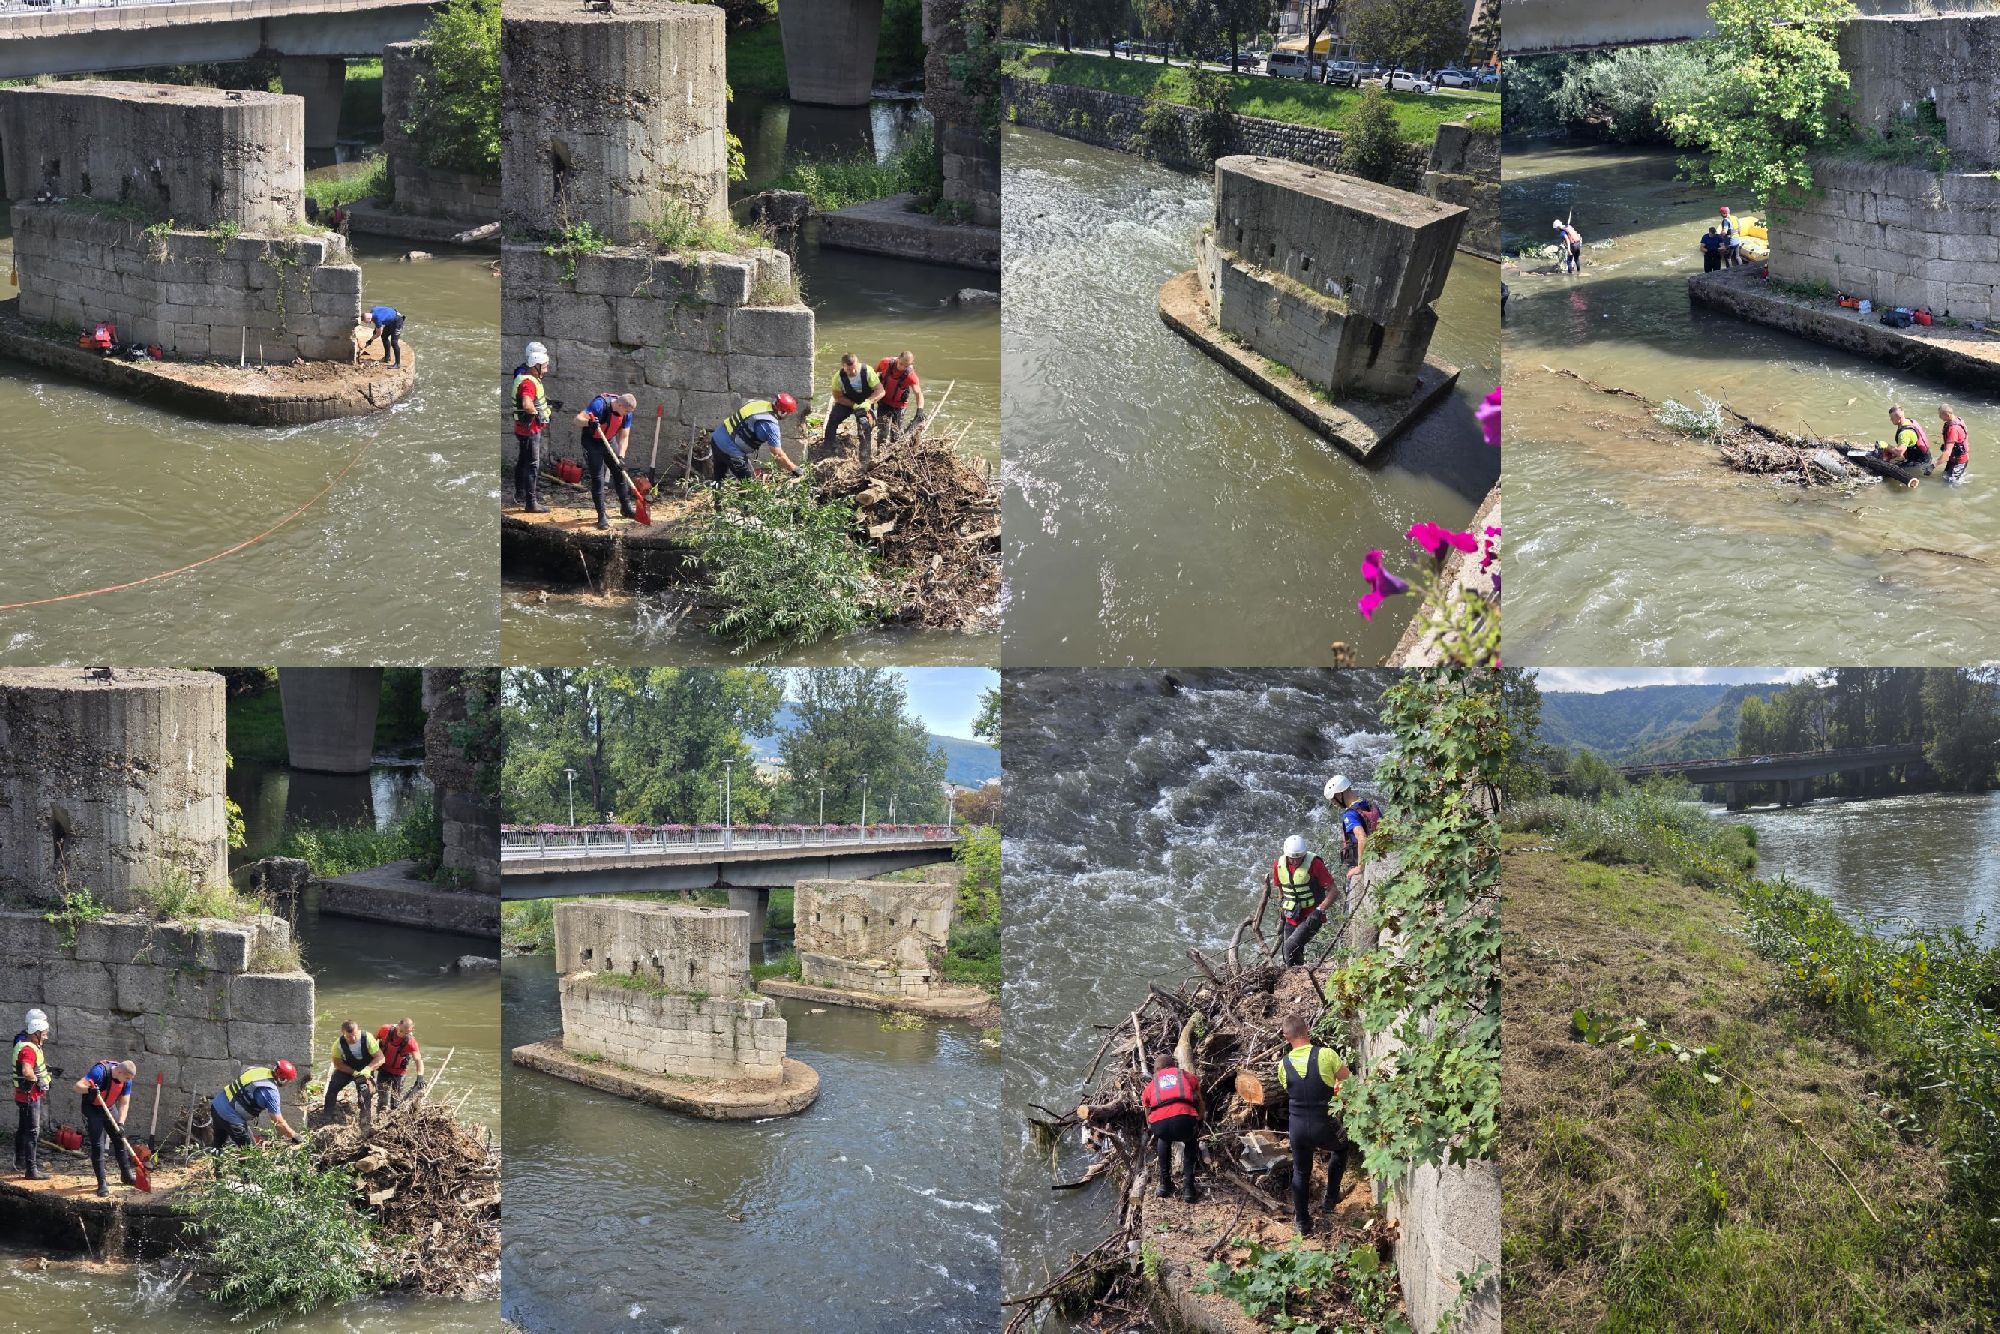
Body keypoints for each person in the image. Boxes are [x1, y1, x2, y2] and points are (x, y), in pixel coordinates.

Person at [1276, 1013, 1351, 1236]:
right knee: (1341, 1148)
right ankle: (1330, 1199)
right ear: (1307, 1028)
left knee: (1300, 1171)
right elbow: (1347, 1079)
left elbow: (1292, 1090)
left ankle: (1302, 1222)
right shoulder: (1326, 1054)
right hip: (1324, 1123)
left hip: (1297, 1127)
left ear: (1286, 1037)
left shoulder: (1283, 1065)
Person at [1140, 1054, 1203, 1203]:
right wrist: (1199, 1118)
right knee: (1191, 1140)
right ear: (1174, 1065)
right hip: (1184, 1120)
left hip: (1160, 1124)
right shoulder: (1186, 1076)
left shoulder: (1152, 1084)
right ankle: (1189, 1190)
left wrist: (1150, 1125)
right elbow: (1199, 1100)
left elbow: (1147, 1107)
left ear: (1157, 1069)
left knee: (1163, 1139)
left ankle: (1165, 1185)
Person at [1270, 833, 1338, 966]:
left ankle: (1299, 975)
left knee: (1290, 946)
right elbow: (1281, 890)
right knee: (1290, 955)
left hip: (1312, 917)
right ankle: (1299, 976)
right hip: (1291, 915)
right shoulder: (1279, 865)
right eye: (1292, 859)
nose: (1295, 862)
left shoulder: (1315, 864)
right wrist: (1282, 907)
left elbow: (1334, 891)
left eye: (1299, 858)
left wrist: (1319, 910)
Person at [75, 1058, 139, 1197]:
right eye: (127, 1078)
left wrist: (121, 1123)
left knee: (119, 1139)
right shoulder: (99, 1072)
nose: (128, 1081)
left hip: (109, 1107)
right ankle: (102, 1183)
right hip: (92, 1109)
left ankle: (126, 1175)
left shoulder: (126, 1080)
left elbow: (124, 1103)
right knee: (98, 1146)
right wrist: (89, 1090)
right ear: (120, 1072)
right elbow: (77, 1086)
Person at [577, 392, 640, 530]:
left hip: (609, 441)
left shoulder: (627, 413)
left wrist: (621, 456)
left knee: (620, 472)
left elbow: (624, 437)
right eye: (627, 411)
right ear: (620, 405)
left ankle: (626, 508)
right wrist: (588, 423)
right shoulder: (599, 405)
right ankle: (601, 515)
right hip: (592, 443)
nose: (628, 414)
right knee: (598, 479)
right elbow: (577, 420)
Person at [710, 394, 803, 483]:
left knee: (719, 479)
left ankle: (717, 492)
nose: (788, 416)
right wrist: (794, 468)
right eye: (788, 413)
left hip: (716, 438)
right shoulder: (770, 426)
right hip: (731, 450)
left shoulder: (759, 404)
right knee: (751, 485)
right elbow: (777, 453)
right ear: (782, 412)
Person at [211, 1061, 302, 1149]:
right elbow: (278, 1122)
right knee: (249, 1152)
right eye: (288, 1081)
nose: (288, 1083)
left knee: (218, 1146)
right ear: (282, 1079)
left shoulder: (258, 1070)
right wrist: (294, 1135)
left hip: (216, 1106)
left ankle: (216, 1154)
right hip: (231, 1118)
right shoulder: (271, 1092)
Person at [1324, 775, 1383, 896]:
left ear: (1339, 795)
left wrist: (1360, 867)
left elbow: (1362, 838)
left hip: (1362, 861)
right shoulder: (1370, 804)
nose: (1334, 804)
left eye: (1333, 800)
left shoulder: (1350, 814)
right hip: (1378, 852)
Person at [512, 343, 553, 513]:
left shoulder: (527, 378)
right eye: (544, 367)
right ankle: (531, 503)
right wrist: (538, 414)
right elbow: (527, 404)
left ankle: (521, 493)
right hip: (530, 430)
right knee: (532, 465)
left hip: (524, 429)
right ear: (535, 367)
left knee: (524, 461)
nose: (546, 370)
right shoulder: (528, 383)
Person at [824, 353, 885, 463]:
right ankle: (827, 449)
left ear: (858, 364)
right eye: (848, 370)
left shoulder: (867, 371)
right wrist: (853, 405)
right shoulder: (837, 378)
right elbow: (838, 397)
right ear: (843, 367)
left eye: (854, 368)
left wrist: (868, 402)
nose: (852, 372)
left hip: (865, 402)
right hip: (847, 402)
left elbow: (880, 391)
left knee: (865, 426)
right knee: (833, 418)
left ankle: (865, 456)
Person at [12, 1010, 52, 1180]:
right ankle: (31, 1170)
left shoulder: (25, 1045)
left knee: (24, 1129)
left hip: (24, 1095)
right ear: (36, 1034)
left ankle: (21, 1161)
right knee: (32, 1131)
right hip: (30, 1096)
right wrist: (37, 1080)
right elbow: (27, 1071)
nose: (46, 1037)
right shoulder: (28, 1049)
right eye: (44, 1034)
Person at [325, 1020, 384, 1123]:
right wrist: (353, 1073)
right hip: (347, 1069)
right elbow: (338, 1064)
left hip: (365, 1069)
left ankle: (365, 1118)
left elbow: (380, 1058)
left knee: (365, 1092)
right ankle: (327, 1115)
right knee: (332, 1087)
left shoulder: (367, 1038)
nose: (353, 1039)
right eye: (349, 1037)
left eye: (355, 1035)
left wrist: (368, 1069)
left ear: (358, 1031)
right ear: (343, 1033)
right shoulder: (337, 1045)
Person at [873, 351, 926, 442]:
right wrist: (872, 391)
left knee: (896, 435)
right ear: (898, 358)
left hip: (899, 406)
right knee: (882, 432)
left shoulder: (911, 376)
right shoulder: (885, 362)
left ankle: (893, 449)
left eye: (906, 366)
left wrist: (920, 410)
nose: (902, 368)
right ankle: (880, 450)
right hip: (883, 402)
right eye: (901, 364)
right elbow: (873, 372)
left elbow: (918, 393)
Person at [374, 1018, 426, 1110]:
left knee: (395, 1103)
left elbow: (418, 1059)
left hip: (399, 1073)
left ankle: (393, 1116)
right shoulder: (385, 1029)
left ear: (411, 1030)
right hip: (384, 1069)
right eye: (401, 1031)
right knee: (382, 1099)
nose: (402, 1034)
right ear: (398, 1025)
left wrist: (420, 1077)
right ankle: (380, 1116)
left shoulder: (410, 1042)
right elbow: (372, 1040)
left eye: (406, 1033)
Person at [1885, 406, 1933, 471]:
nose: (1890, 420)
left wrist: (1885, 445)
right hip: (1926, 456)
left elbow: (1899, 453)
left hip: (1919, 462)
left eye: (1892, 418)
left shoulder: (1904, 433)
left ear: (1899, 418)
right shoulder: (1910, 421)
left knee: (1889, 470)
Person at [1939, 404, 1971, 485]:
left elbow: (1947, 452)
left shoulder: (1953, 429)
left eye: (1940, 414)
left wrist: (1933, 465)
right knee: (1944, 477)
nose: (1939, 416)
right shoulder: (1958, 420)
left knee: (1951, 484)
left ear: (1947, 415)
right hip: (1954, 457)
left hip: (1959, 461)